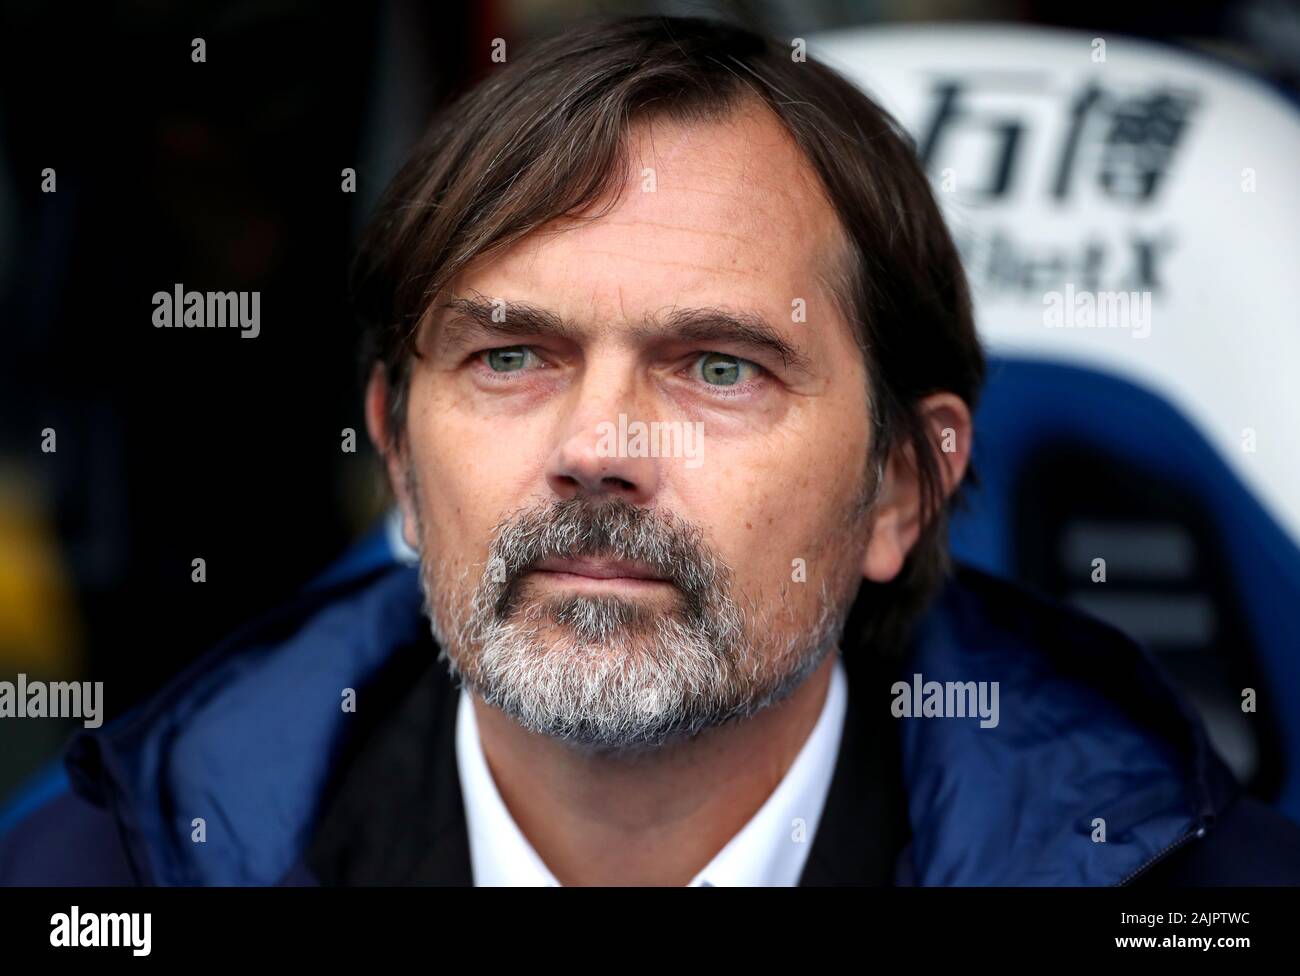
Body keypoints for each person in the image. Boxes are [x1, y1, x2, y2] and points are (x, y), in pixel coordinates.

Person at [3, 15, 1298, 886]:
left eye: (719, 366)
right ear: (398, 451)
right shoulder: (96, 873)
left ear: (901, 484)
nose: (597, 448)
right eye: (511, 357)